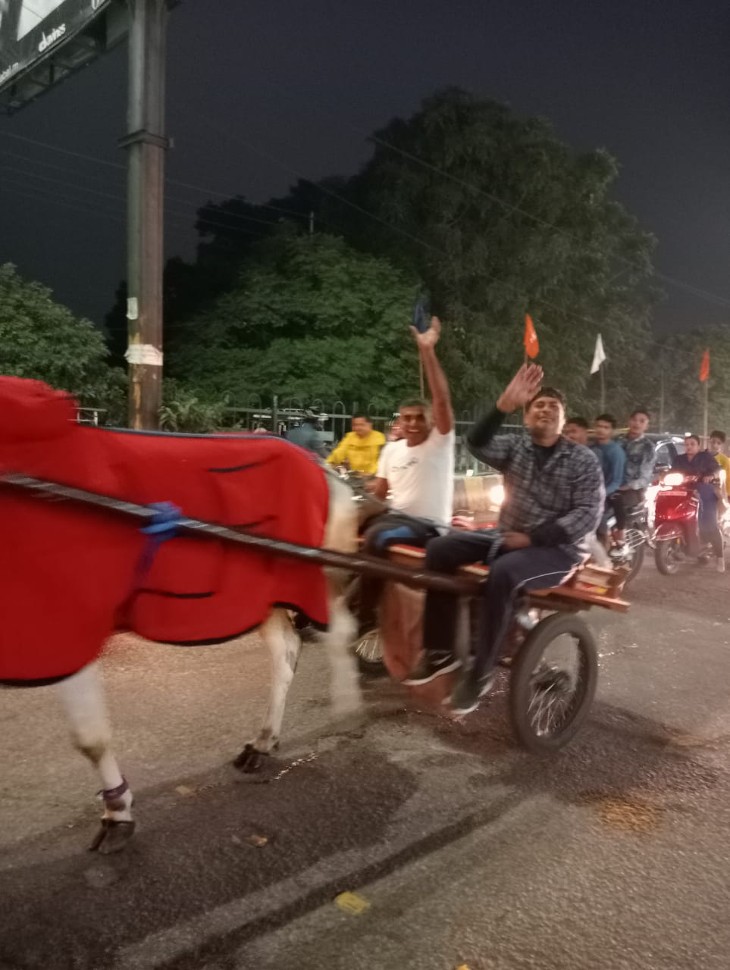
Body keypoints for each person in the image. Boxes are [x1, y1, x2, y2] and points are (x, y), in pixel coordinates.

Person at [403, 364, 604, 715]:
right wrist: (502, 405)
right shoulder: (517, 447)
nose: (545, 410)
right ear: (526, 418)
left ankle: (482, 671)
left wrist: (533, 538)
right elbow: (476, 442)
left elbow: (587, 513)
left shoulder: (583, 460)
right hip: (505, 535)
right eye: (538, 406)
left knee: (505, 573)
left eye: (553, 407)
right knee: (438, 548)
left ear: (562, 421)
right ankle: (440, 651)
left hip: (557, 551)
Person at [357, 315, 455, 633]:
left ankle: (365, 615)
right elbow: (379, 495)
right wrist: (353, 502)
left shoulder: (440, 442)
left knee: (376, 537)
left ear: (429, 420)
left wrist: (427, 351)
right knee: (344, 526)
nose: (412, 423)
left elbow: (441, 399)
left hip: (429, 528)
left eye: (418, 418)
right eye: (406, 418)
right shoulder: (392, 450)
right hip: (396, 518)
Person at [672, 435, 724, 571]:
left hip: (704, 491)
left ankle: (720, 556)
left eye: (692, 444)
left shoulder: (705, 457)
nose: (689, 446)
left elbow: (718, 470)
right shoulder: (679, 459)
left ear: (698, 446)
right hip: (683, 492)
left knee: (709, 522)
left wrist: (711, 476)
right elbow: (672, 472)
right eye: (687, 444)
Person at [615, 409, 655, 542]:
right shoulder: (617, 441)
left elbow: (645, 477)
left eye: (642, 421)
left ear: (646, 425)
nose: (637, 423)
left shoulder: (648, 447)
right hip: (611, 486)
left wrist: (627, 486)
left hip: (632, 492)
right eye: (634, 419)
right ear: (629, 421)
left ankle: (621, 543)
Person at [590, 413, 626, 543]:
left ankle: (603, 548)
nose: (601, 430)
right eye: (599, 426)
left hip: (609, 492)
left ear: (612, 431)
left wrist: (600, 493)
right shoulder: (591, 447)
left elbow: (616, 481)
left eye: (605, 427)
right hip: (591, 492)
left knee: (599, 519)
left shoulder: (616, 452)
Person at [708, 430, 730, 500]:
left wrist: (727, 495)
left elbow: (727, 478)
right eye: (713, 441)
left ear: (722, 445)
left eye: (718, 443)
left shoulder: (724, 460)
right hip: (703, 489)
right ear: (709, 441)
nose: (715, 445)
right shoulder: (701, 456)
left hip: (718, 492)